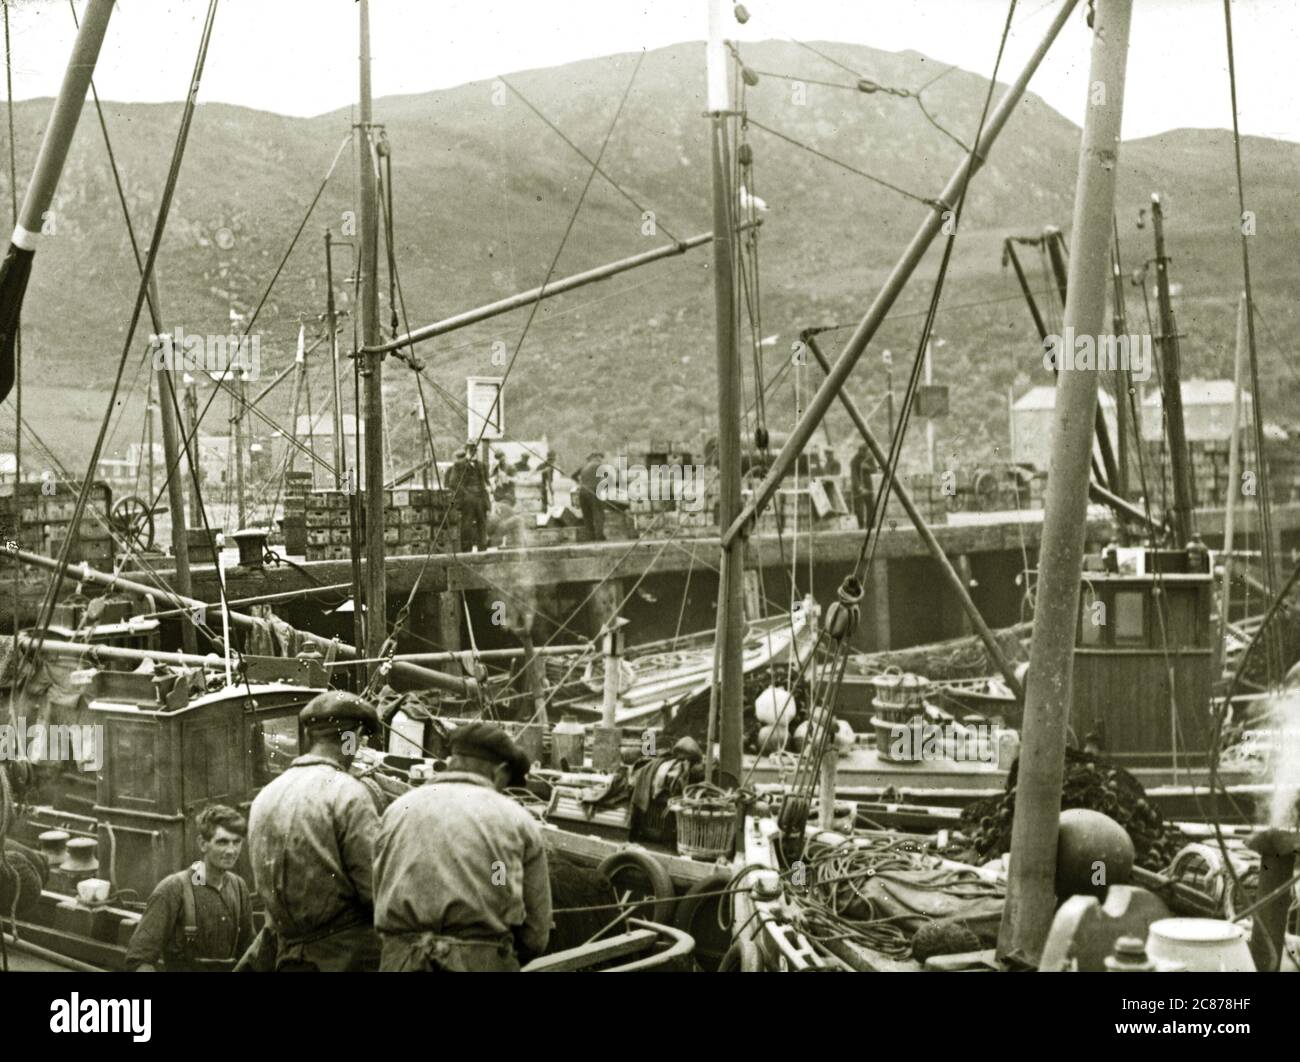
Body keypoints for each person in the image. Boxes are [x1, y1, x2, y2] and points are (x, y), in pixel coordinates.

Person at [373, 722, 552, 972]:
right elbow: (535, 933)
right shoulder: (513, 820)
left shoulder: (397, 811)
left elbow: (377, 890)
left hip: (402, 961)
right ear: (500, 772)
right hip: (476, 963)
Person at [240, 691, 383, 972]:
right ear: (349, 738)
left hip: (287, 955)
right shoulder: (350, 794)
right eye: (360, 739)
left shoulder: (266, 796)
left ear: (310, 736)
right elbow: (377, 892)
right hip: (345, 959)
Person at [125, 804, 254, 972]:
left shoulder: (239, 887)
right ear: (202, 844)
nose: (231, 850)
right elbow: (138, 960)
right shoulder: (172, 890)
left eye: (236, 842)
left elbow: (250, 951)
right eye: (222, 842)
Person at [575, 451, 606, 542]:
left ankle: (590, 536)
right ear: (596, 457)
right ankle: (599, 536)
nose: (601, 459)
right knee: (598, 513)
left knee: (587, 515)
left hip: (583, 491)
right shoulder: (599, 465)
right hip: (594, 491)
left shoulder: (583, 466)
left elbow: (573, 476)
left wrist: (581, 483)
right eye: (600, 457)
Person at [849, 442, 877, 529]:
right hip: (858, 487)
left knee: (871, 506)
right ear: (859, 451)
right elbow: (854, 476)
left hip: (868, 485)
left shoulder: (869, 458)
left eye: (866, 451)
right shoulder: (854, 460)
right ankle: (860, 526)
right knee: (859, 508)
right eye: (862, 451)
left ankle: (870, 526)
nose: (864, 453)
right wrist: (859, 487)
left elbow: (875, 470)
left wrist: (867, 468)